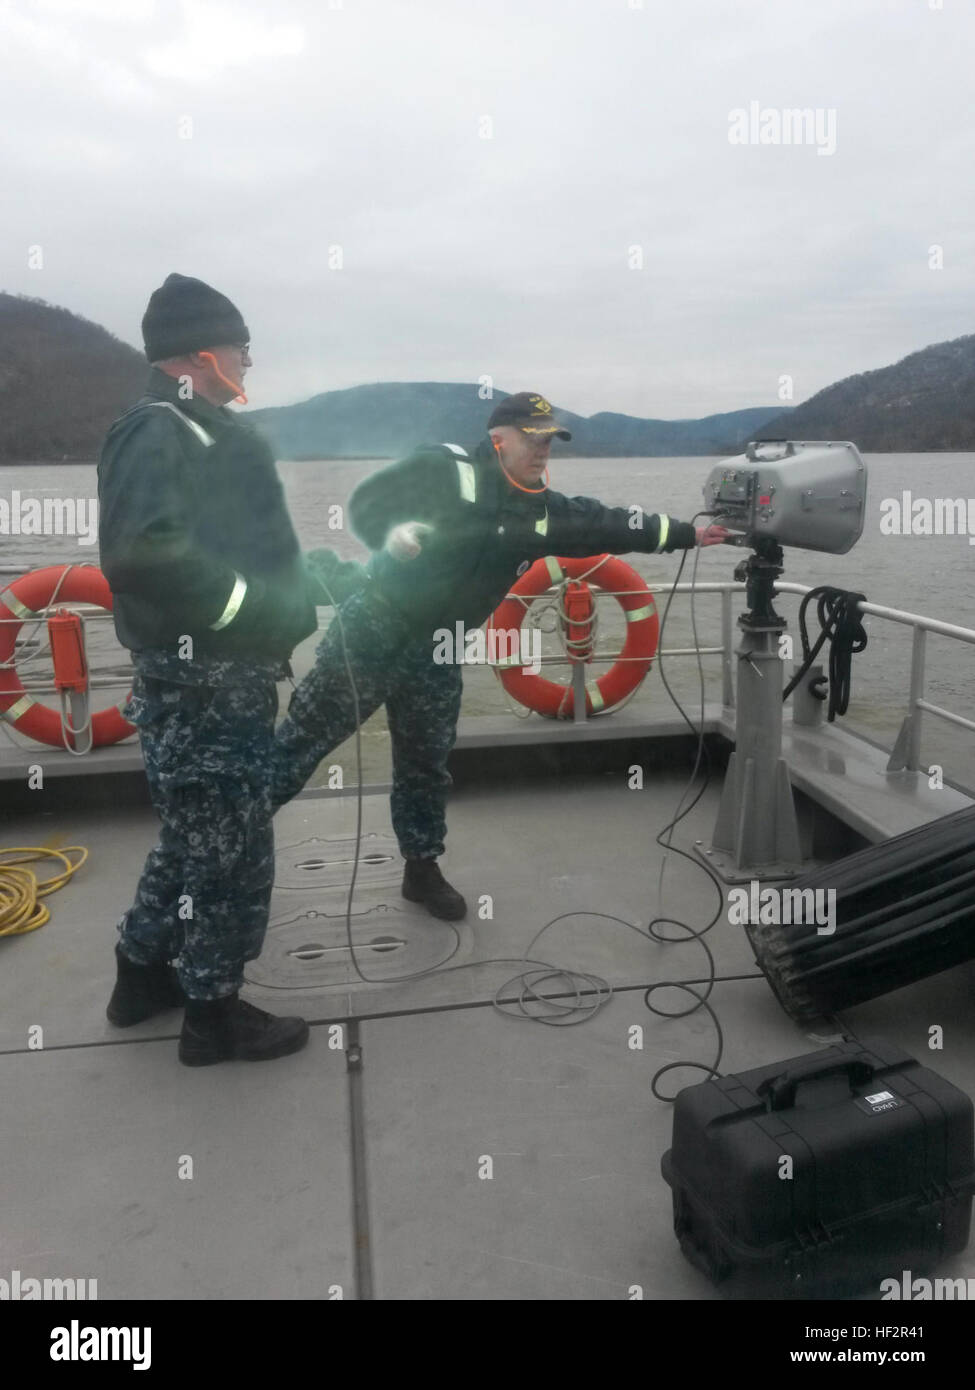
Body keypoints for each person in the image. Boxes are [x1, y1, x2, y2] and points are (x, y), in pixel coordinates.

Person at [271, 392, 729, 917]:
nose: (543, 450)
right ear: (499, 439)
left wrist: (691, 534)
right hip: (373, 631)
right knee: (300, 746)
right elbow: (369, 501)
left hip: (439, 649)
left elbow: (612, 524)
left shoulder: (544, 512)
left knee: (426, 763)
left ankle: (421, 868)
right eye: (532, 439)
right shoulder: (446, 469)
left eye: (550, 440)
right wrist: (389, 533)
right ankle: (229, 849)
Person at [98, 273, 363, 1066]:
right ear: (205, 354)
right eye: (242, 349)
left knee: (189, 843)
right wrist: (253, 611)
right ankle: (213, 1017)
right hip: (207, 687)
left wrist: (315, 577)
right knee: (232, 855)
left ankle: (141, 973)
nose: (249, 363)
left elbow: (229, 551)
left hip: (214, 682)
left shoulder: (195, 427)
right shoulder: (159, 430)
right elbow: (145, 556)